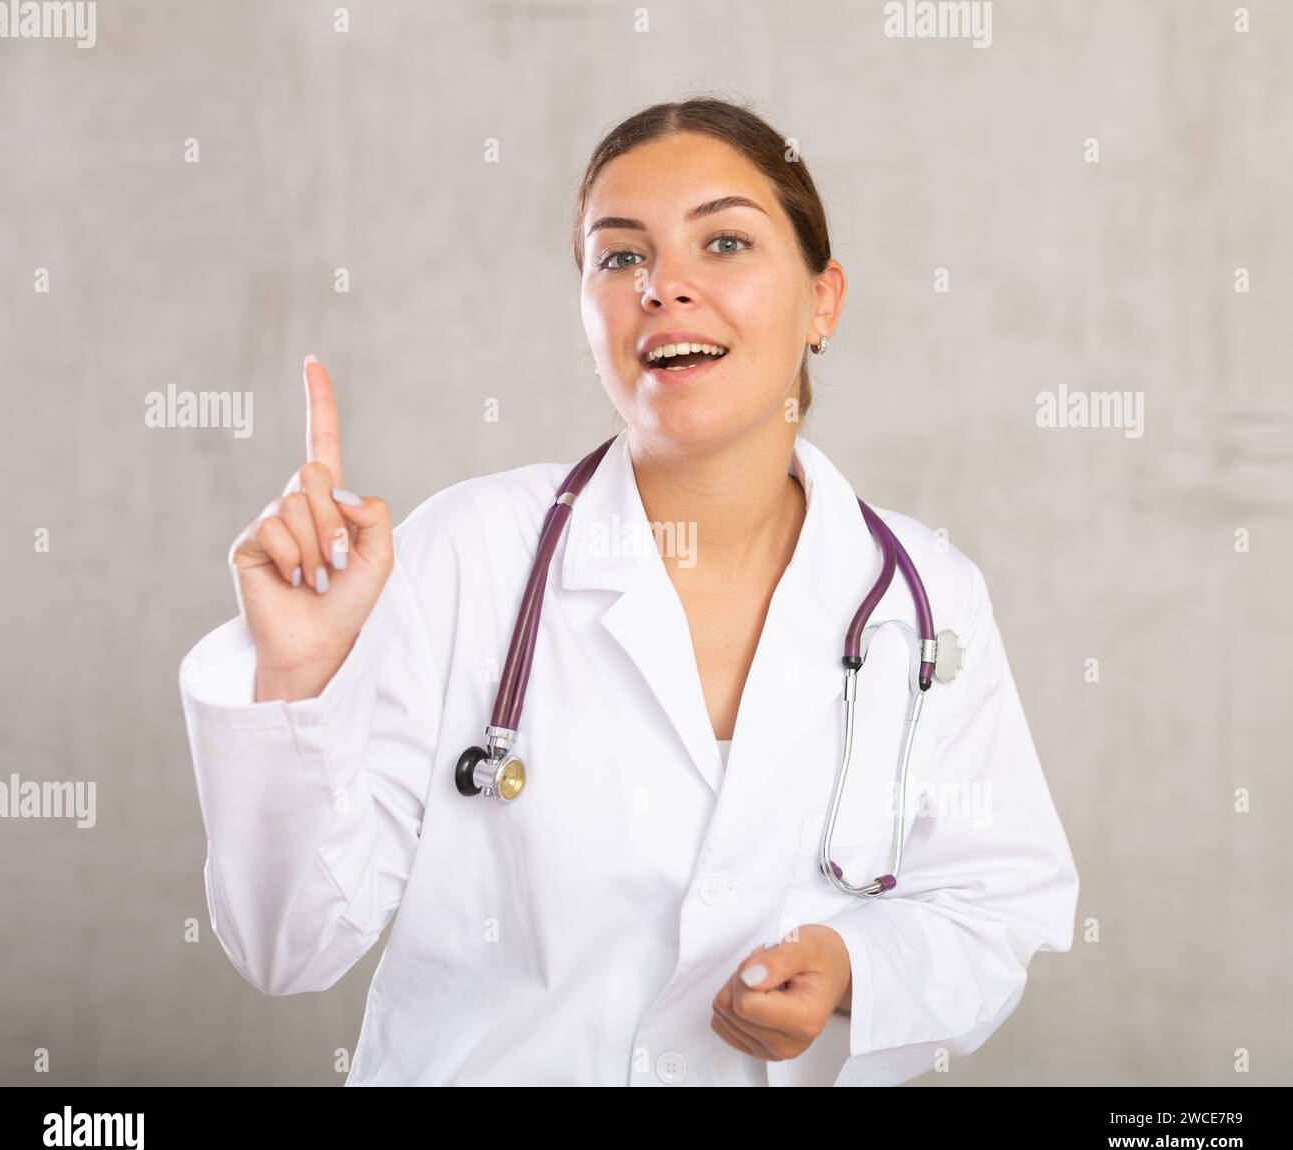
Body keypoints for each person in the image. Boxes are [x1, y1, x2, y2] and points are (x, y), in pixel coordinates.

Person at [178, 97, 1079, 1086]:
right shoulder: (466, 555)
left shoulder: (925, 597)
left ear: (823, 302)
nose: (662, 287)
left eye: (724, 242)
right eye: (618, 257)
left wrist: (854, 967)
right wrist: (299, 679)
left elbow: (996, 907)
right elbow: (285, 948)